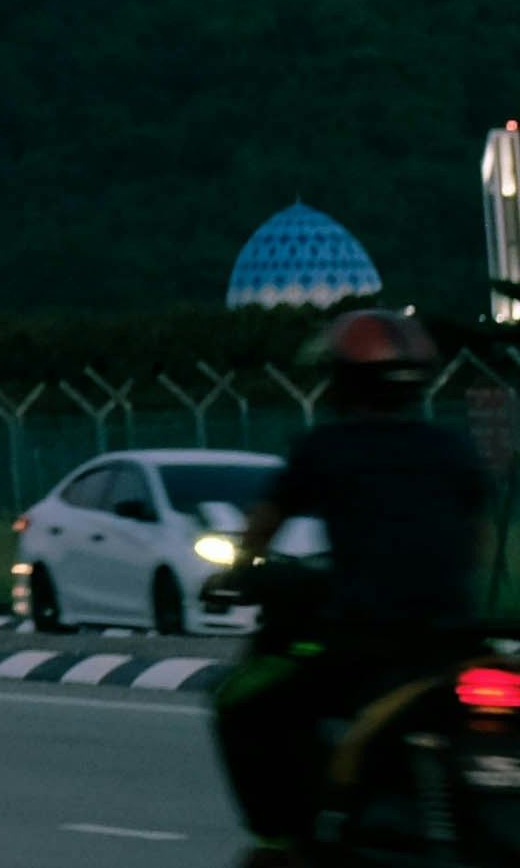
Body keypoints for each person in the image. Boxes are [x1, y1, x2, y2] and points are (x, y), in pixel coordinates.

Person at [211, 305, 492, 845]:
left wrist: (238, 571)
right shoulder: (453, 448)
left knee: (244, 698)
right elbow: (474, 542)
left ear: (345, 380)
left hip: (368, 644)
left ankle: (286, 839)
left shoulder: (327, 448)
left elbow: (262, 527)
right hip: (457, 642)